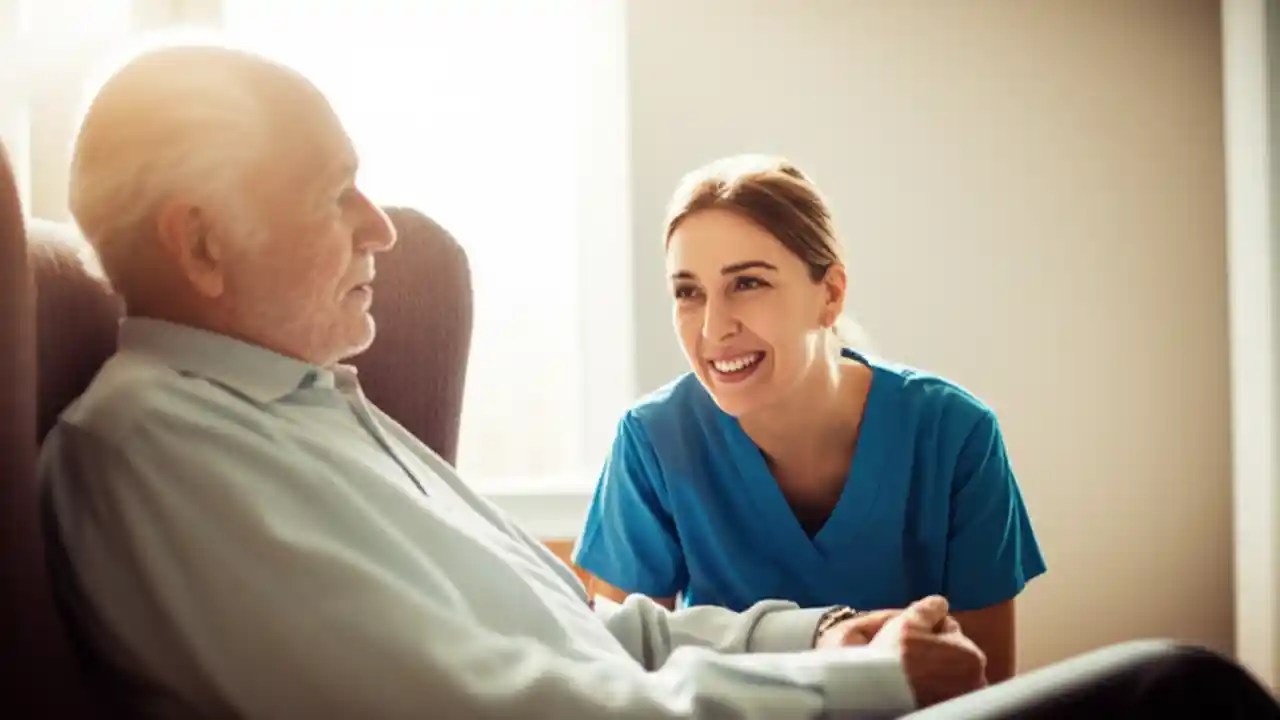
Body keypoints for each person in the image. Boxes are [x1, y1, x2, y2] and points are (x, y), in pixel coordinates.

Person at [38, 42, 1278, 720]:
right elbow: (513, 711)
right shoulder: (150, 448)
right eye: (333, 191)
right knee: (1182, 694)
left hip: (766, 692)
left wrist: (823, 633)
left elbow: (599, 632)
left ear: (828, 292)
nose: (384, 229)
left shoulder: (319, 409)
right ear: (201, 244)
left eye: (748, 283)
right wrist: (859, 677)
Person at [574, 155, 1044, 682]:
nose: (713, 327)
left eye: (748, 283)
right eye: (688, 292)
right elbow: (617, 678)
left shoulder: (955, 435)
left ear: (831, 294)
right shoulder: (653, 441)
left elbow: (986, 689)